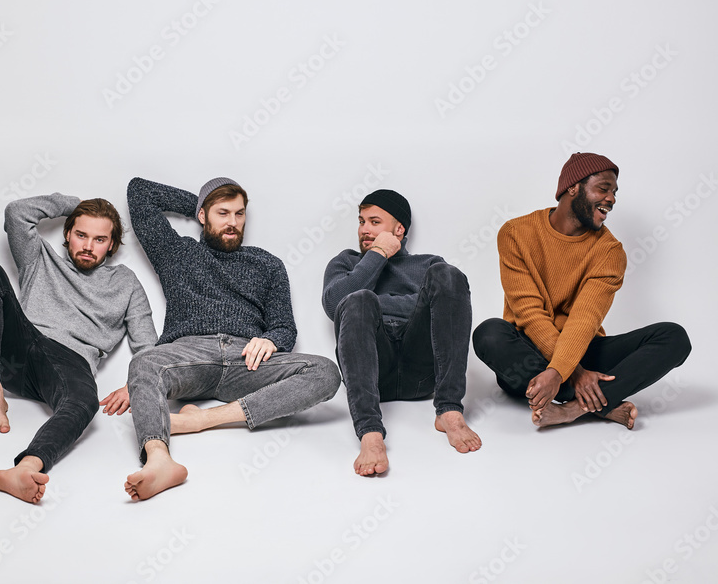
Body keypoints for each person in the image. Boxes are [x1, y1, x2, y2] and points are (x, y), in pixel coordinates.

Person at [123, 177, 341, 501]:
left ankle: (205, 420)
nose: (232, 223)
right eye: (222, 213)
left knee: (326, 371)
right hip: (190, 353)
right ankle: (158, 460)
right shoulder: (176, 253)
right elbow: (139, 191)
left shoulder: (267, 264)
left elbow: (284, 327)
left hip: (248, 360)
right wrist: (200, 202)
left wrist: (271, 340)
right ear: (203, 216)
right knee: (143, 362)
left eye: (239, 214)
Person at [0, 194, 157, 504]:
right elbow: (16, 213)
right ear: (68, 234)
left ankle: (24, 469)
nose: (89, 245)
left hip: (70, 362)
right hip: (19, 346)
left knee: (84, 401)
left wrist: (136, 384)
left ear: (112, 244)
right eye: (81, 235)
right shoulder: (39, 257)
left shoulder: (126, 283)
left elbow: (147, 343)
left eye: (100, 239)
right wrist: (76, 204)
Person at [472, 152, 691, 429]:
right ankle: (603, 405)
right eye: (603, 188)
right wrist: (573, 374)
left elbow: (584, 320)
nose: (611, 198)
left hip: (582, 348)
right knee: (489, 334)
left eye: (614, 192)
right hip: (529, 356)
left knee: (674, 337)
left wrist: (564, 370)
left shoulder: (610, 252)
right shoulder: (516, 233)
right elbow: (530, 314)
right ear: (572, 187)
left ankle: (572, 410)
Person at [322, 189, 480, 476]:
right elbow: (336, 305)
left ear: (398, 230)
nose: (364, 229)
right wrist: (379, 254)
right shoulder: (345, 263)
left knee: (448, 274)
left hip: (421, 370)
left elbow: (444, 308)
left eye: (374, 221)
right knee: (358, 299)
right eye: (361, 221)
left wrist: (378, 304)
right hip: (371, 374)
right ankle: (370, 432)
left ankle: (449, 411)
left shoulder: (429, 265)